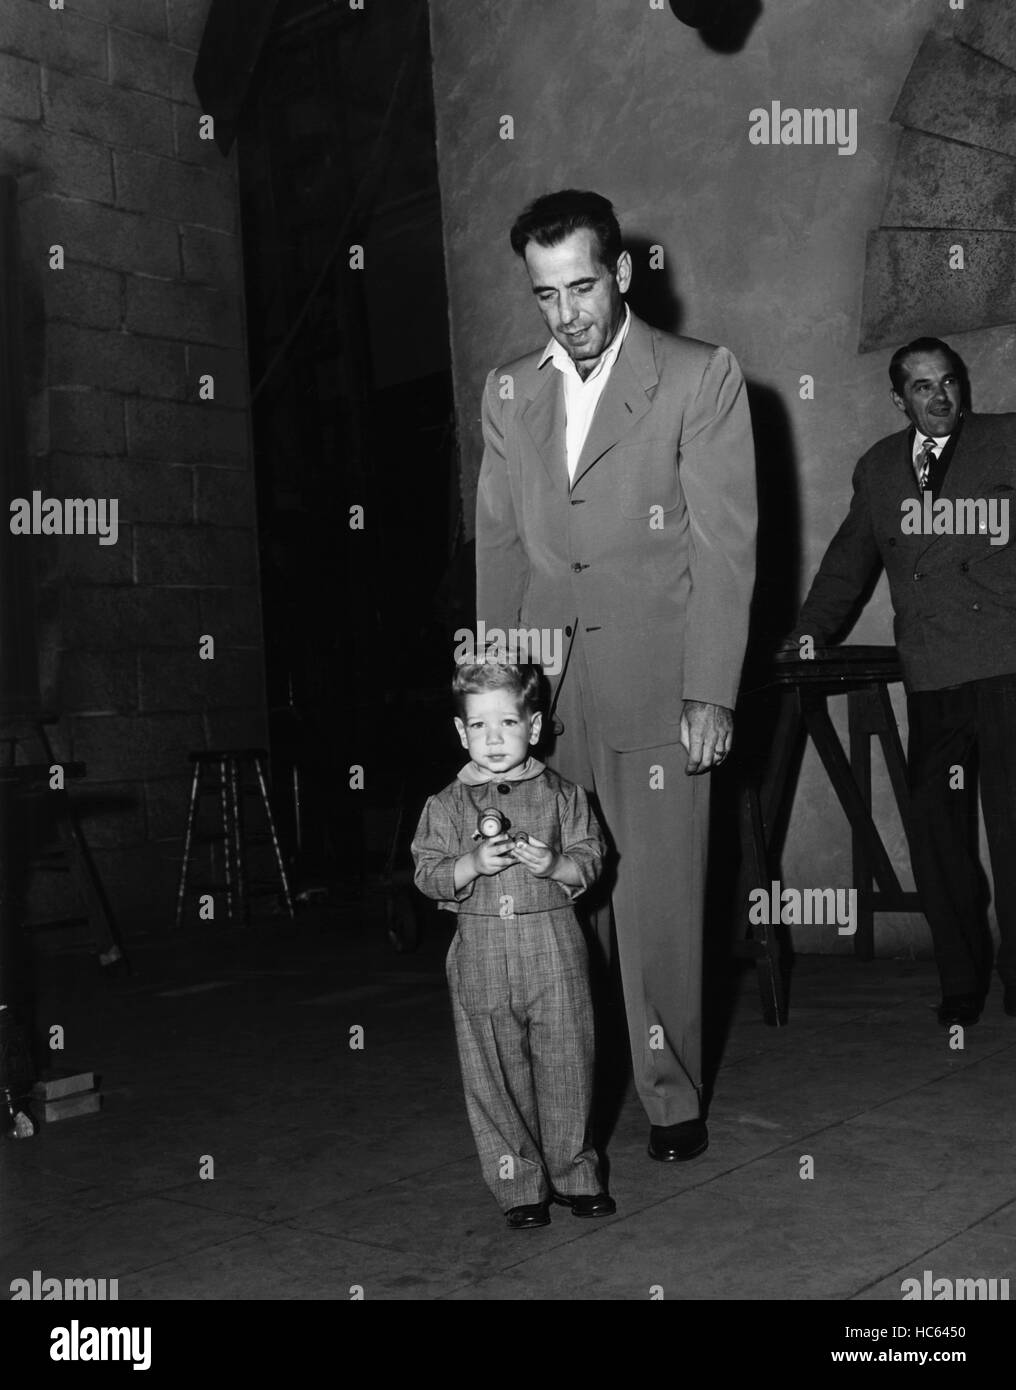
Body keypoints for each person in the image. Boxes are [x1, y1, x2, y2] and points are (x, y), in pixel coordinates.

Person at [475, 190, 757, 1162]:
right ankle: (571, 1098)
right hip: (547, 693)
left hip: (660, 684)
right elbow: (500, 548)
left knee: (657, 906)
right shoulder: (509, 392)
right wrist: (491, 689)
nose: (567, 314)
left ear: (623, 272)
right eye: (545, 296)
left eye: (583, 286)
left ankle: (670, 1098)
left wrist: (710, 690)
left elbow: (724, 549)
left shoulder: (697, 376)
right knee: (553, 900)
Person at [790, 337, 1016, 1027]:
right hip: (931, 675)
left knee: (1013, 833)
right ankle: (961, 982)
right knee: (937, 840)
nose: (940, 397)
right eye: (922, 387)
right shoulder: (880, 468)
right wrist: (811, 631)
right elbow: (849, 560)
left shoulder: (1007, 441)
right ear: (899, 399)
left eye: (948, 382)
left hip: (1006, 664)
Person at [411, 660, 613, 1230]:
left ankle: (575, 1172)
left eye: (507, 722)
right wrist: (468, 864)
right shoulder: (445, 805)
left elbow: (592, 857)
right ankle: (517, 1184)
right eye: (478, 726)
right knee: (491, 1071)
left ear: (536, 725)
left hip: (553, 945)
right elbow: (426, 873)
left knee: (569, 1061)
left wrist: (557, 863)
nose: (493, 738)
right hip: (479, 949)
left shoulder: (564, 795)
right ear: (460, 732)